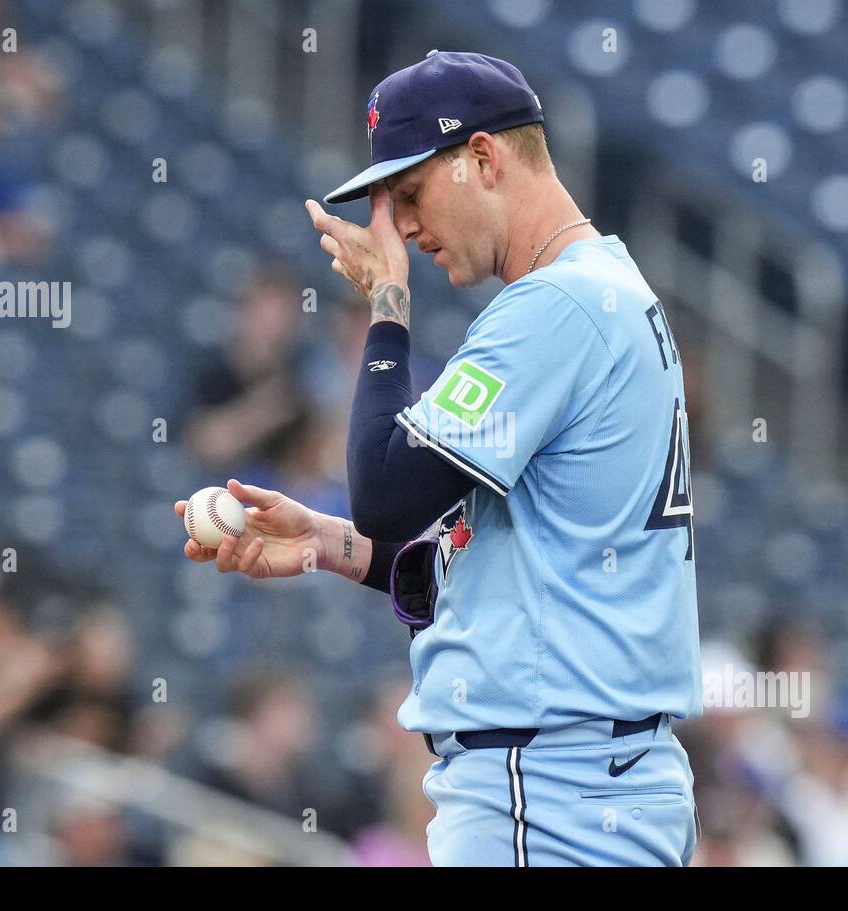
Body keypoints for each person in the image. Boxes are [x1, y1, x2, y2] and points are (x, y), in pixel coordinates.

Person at [177, 51, 702, 866]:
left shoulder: (554, 306)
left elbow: (386, 491)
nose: (403, 229)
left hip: (548, 785)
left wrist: (387, 303)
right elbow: (491, 567)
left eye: (411, 194)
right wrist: (328, 544)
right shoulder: (608, 285)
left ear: (483, 159)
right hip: (591, 776)